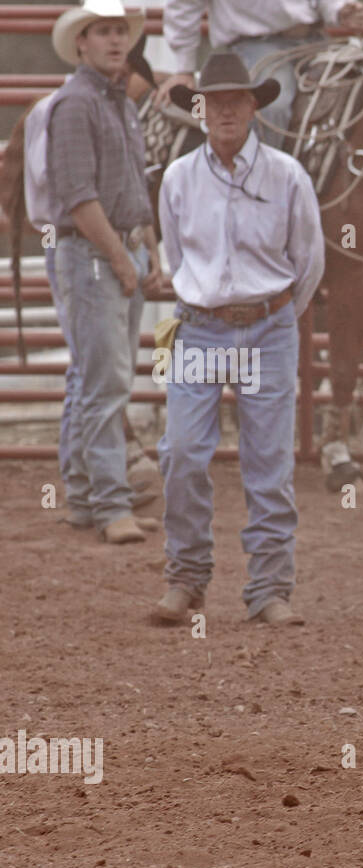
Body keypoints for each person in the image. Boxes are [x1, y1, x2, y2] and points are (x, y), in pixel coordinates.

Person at [153, 52, 325, 626]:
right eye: (212, 100)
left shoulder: (287, 176)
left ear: (253, 105)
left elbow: (309, 263)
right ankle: (186, 577)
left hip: (269, 325)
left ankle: (270, 588)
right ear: (197, 109)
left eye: (236, 99)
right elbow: (176, 259)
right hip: (197, 325)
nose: (224, 110)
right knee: (180, 452)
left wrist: (272, 315)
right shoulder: (178, 179)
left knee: (269, 461)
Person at [47, 0, 164, 544]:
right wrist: (122, 258)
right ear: (82, 43)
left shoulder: (114, 101)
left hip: (111, 249)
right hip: (94, 253)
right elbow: (79, 197)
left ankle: (83, 496)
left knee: (93, 377)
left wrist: (146, 245)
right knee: (106, 380)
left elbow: (130, 188)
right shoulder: (77, 104)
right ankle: (110, 503)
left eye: (121, 31)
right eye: (104, 33)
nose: (116, 41)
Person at [156, 0, 363, 149]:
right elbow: (183, 4)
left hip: (315, 39)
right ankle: (256, 187)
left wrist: (340, 9)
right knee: (272, 108)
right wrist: (184, 68)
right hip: (256, 44)